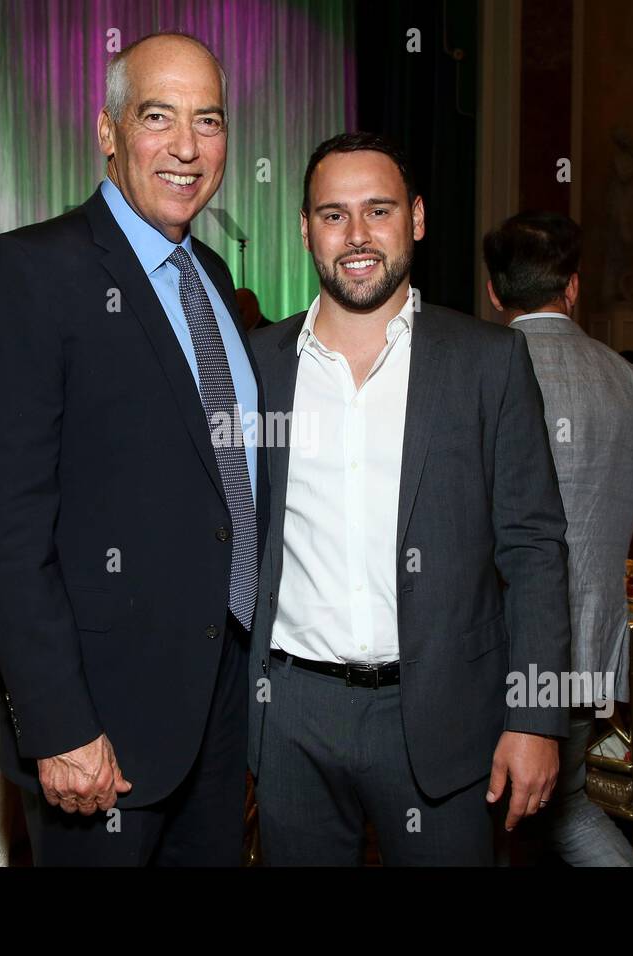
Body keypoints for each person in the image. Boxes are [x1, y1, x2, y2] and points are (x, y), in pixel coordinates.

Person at [0, 32, 263, 866]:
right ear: (108, 131)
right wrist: (57, 722)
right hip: (100, 733)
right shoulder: (29, 271)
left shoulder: (216, 284)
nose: (188, 148)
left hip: (219, 706)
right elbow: (1, 523)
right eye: (158, 117)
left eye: (210, 120)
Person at [248, 133, 571, 866]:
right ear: (305, 230)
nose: (357, 236)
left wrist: (537, 717)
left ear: (417, 219)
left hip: (445, 713)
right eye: (333, 215)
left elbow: (535, 551)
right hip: (292, 713)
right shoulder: (258, 366)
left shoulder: (488, 362)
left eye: (379, 210)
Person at [482, 211, 633, 866]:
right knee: (565, 806)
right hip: (579, 657)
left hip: (474, 654)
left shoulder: (469, 372)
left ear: (495, 292)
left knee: (479, 818)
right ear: (574, 287)